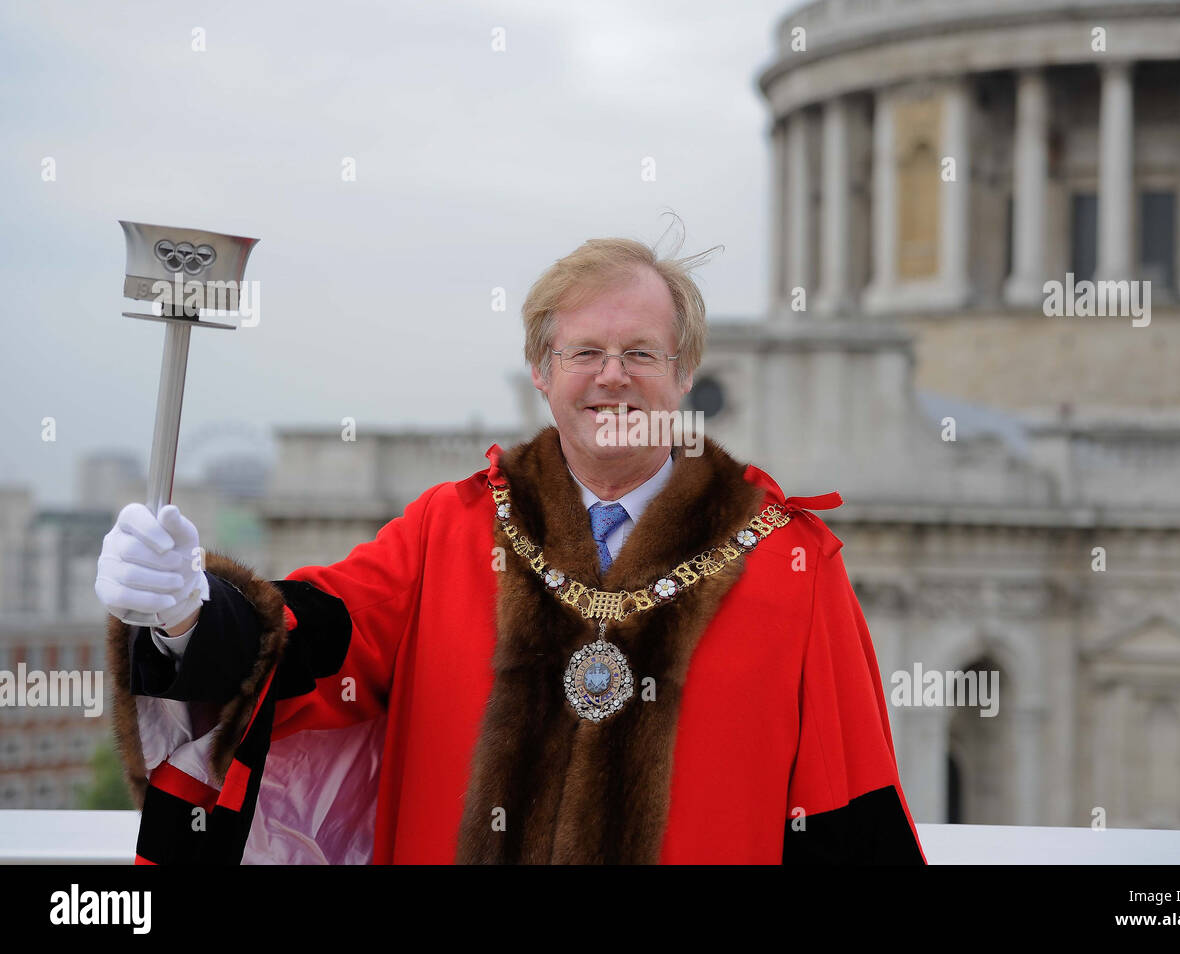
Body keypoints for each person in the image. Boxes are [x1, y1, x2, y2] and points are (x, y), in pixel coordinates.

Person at [95, 235, 927, 864]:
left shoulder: (792, 563)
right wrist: (192, 613)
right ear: (540, 369)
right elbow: (317, 637)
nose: (613, 377)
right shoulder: (446, 532)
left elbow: (848, 805)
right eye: (583, 354)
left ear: (683, 373)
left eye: (641, 353)